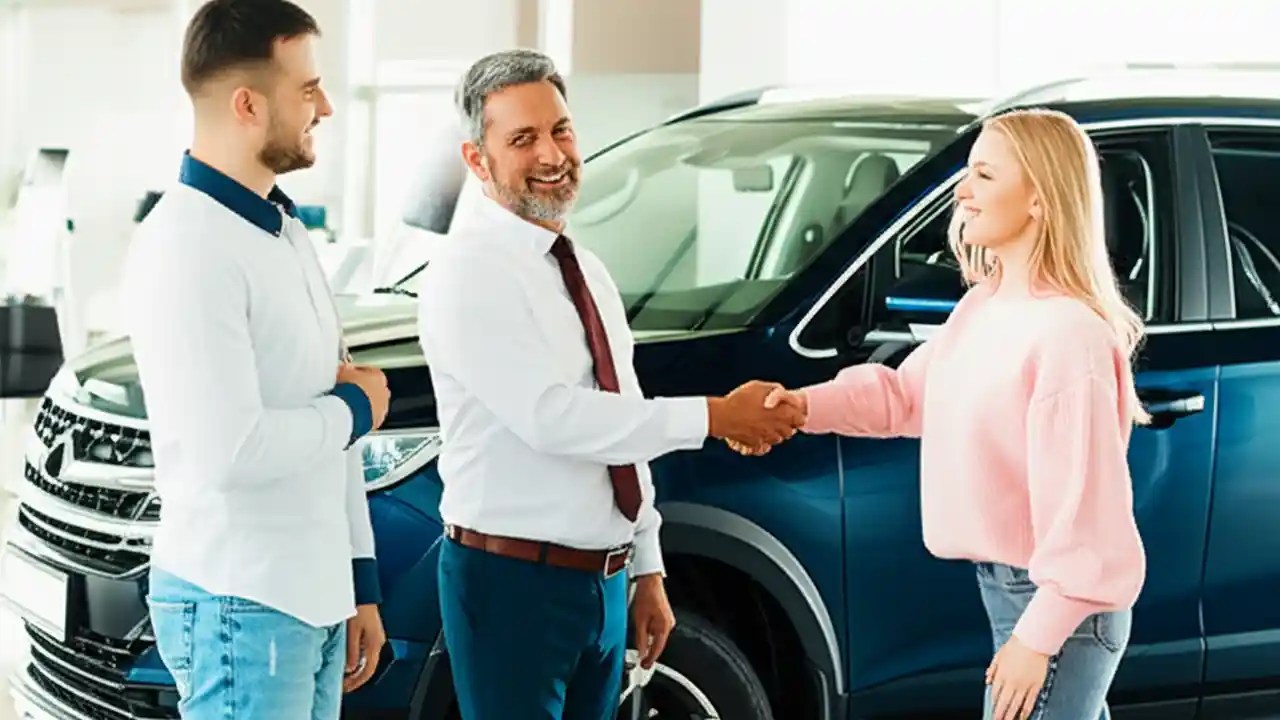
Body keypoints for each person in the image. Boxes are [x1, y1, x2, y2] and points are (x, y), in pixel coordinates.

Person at [416, 49, 805, 720]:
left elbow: (618, 419)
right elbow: (553, 418)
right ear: (477, 160)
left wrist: (646, 561)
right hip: (513, 583)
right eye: (523, 138)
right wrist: (714, 417)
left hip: (604, 579)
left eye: (561, 129)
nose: (552, 152)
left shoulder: (584, 268)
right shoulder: (466, 274)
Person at [745, 108, 1147, 720]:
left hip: (1057, 603)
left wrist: (1036, 639)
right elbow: (906, 397)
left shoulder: (1069, 337)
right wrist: (803, 406)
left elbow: (1089, 526)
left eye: (984, 174)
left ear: (1039, 199)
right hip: (1017, 592)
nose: (962, 190)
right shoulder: (985, 307)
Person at [120, 1, 388, 717]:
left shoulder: (283, 226)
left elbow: (331, 415)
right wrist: (357, 409)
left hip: (311, 596)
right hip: (242, 602)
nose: (325, 106)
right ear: (246, 104)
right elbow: (231, 452)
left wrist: (357, 582)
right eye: (308, 88)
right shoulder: (188, 245)